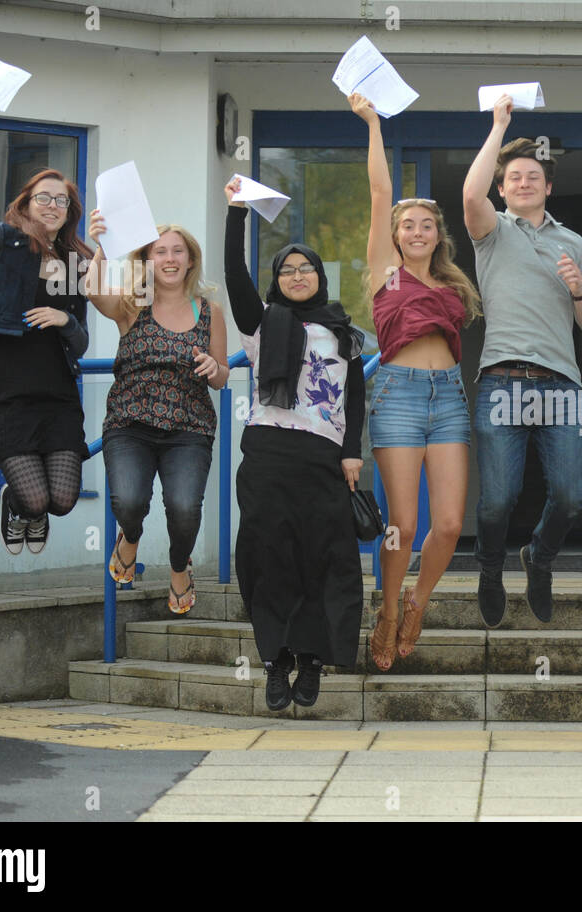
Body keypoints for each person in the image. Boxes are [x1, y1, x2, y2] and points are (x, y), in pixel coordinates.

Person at [223, 175, 366, 712]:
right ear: (277, 280)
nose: (297, 275)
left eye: (306, 268)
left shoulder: (341, 330)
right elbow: (235, 273)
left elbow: (354, 396)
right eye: (287, 269)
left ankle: (312, 659)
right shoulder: (261, 323)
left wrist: (352, 451)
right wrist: (238, 212)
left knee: (323, 562)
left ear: (320, 277)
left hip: (323, 460)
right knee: (268, 558)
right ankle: (276, 660)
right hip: (267, 456)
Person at [350, 93, 481, 670]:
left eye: (428, 224)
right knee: (402, 525)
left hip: (448, 396)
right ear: (397, 236)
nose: (417, 231)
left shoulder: (453, 284)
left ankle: (415, 602)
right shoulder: (386, 274)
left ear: (438, 235)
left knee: (449, 523)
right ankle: (384, 609)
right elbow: (381, 192)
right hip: (397, 395)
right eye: (409, 225)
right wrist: (375, 125)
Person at [462, 94, 582, 627]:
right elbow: (470, 192)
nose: (523, 182)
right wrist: (499, 126)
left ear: (548, 186)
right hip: (502, 381)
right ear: (503, 189)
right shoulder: (492, 232)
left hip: (564, 385)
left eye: (533, 177)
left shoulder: (573, 242)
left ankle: (539, 559)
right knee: (497, 499)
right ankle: (491, 568)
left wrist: (579, 291)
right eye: (513, 177)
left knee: (570, 497)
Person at [0, 87, 91, 556]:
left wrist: (63, 318)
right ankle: (18, 506)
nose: (52, 206)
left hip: (57, 394)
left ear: (69, 211)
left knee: (61, 499)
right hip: (9, 393)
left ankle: (31, 511)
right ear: (28, 202)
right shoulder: (6, 244)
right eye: (44, 198)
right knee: (35, 496)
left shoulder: (78, 260)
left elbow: (79, 343)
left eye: (60, 200)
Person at [86, 220, 228, 614]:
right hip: (130, 424)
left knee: (184, 510)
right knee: (130, 501)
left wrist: (212, 368)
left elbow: (221, 375)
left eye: (177, 251)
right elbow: (93, 292)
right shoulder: (133, 303)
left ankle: (179, 567)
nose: (169, 258)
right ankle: (129, 537)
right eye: (160, 251)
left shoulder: (210, 311)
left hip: (189, 428)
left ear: (190, 259)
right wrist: (99, 242)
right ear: (147, 259)